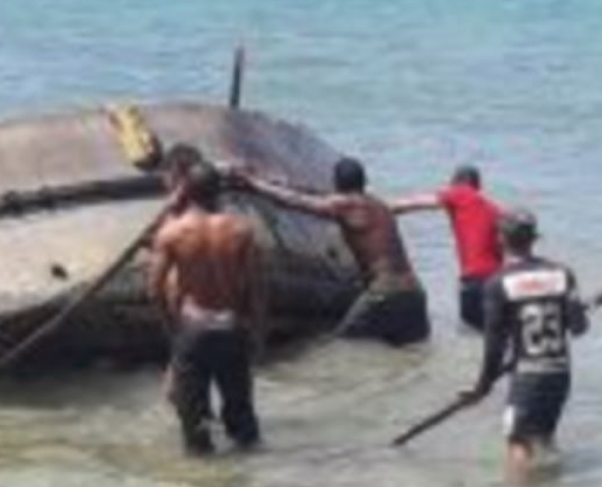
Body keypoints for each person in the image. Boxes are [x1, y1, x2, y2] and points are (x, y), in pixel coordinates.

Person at [235, 157, 430, 345]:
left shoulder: (347, 206)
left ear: (337, 183)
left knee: (344, 346)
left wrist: (254, 185)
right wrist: (276, 183)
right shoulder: (378, 205)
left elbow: (298, 202)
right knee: (412, 351)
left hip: (385, 291)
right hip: (414, 292)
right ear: (364, 182)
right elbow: (316, 195)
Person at [460, 209, 588, 480]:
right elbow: (579, 328)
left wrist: (484, 384)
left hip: (528, 376)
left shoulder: (498, 283)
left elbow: (494, 344)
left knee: (517, 441)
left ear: (500, 239)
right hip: (560, 373)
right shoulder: (563, 274)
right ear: (534, 239)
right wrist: (576, 309)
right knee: (545, 438)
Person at [148, 163, 266, 455]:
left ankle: (204, 479)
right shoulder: (242, 230)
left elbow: (154, 290)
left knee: (195, 425)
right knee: (243, 422)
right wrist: (257, 333)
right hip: (231, 327)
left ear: (186, 192)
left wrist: (172, 330)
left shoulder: (171, 233)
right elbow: (256, 289)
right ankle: (252, 475)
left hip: (193, 329)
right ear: (219, 193)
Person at [392, 165, 502, 331]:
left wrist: (381, 209)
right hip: (499, 281)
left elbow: (415, 203)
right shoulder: (494, 209)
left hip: (475, 282)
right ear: (479, 185)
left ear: (457, 182)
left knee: (471, 334)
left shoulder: (461, 193)